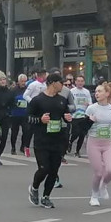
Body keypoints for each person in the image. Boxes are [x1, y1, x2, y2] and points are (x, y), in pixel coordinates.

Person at [26, 72, 72, 209]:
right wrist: (40, 120)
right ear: (53, 83)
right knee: (44, 168)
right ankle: (34, 187)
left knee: (54, 170)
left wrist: (67, 118)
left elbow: (64, 115)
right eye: (61, 83)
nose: (63, 86)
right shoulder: (38, 100)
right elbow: (28, 118)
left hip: (57, 140)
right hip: (42, 141)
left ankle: (46, 197)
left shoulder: (62, 100)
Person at [85, 82, 111, 206]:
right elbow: (83, 127)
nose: (97, 93)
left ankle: (103, 186)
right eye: (96, 91)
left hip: (108, 143)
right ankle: (94, 196)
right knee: (99, 172)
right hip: (94, 142)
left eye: (99, 91)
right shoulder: (91, 108)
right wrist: (89, 121)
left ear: (107, 93)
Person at [67, 75, 93, 159]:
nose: (80, 83)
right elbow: (68, 102)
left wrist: (89, 105)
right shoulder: (72, 91)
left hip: (84, 115)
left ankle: (77, 151)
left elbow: (90, 102)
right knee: (76, 132)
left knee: (82, 134)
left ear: (84, 82)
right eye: (78, 81)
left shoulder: (86, 92)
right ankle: (70, 142)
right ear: (75, 82)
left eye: (82, 81)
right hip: (74, 115)